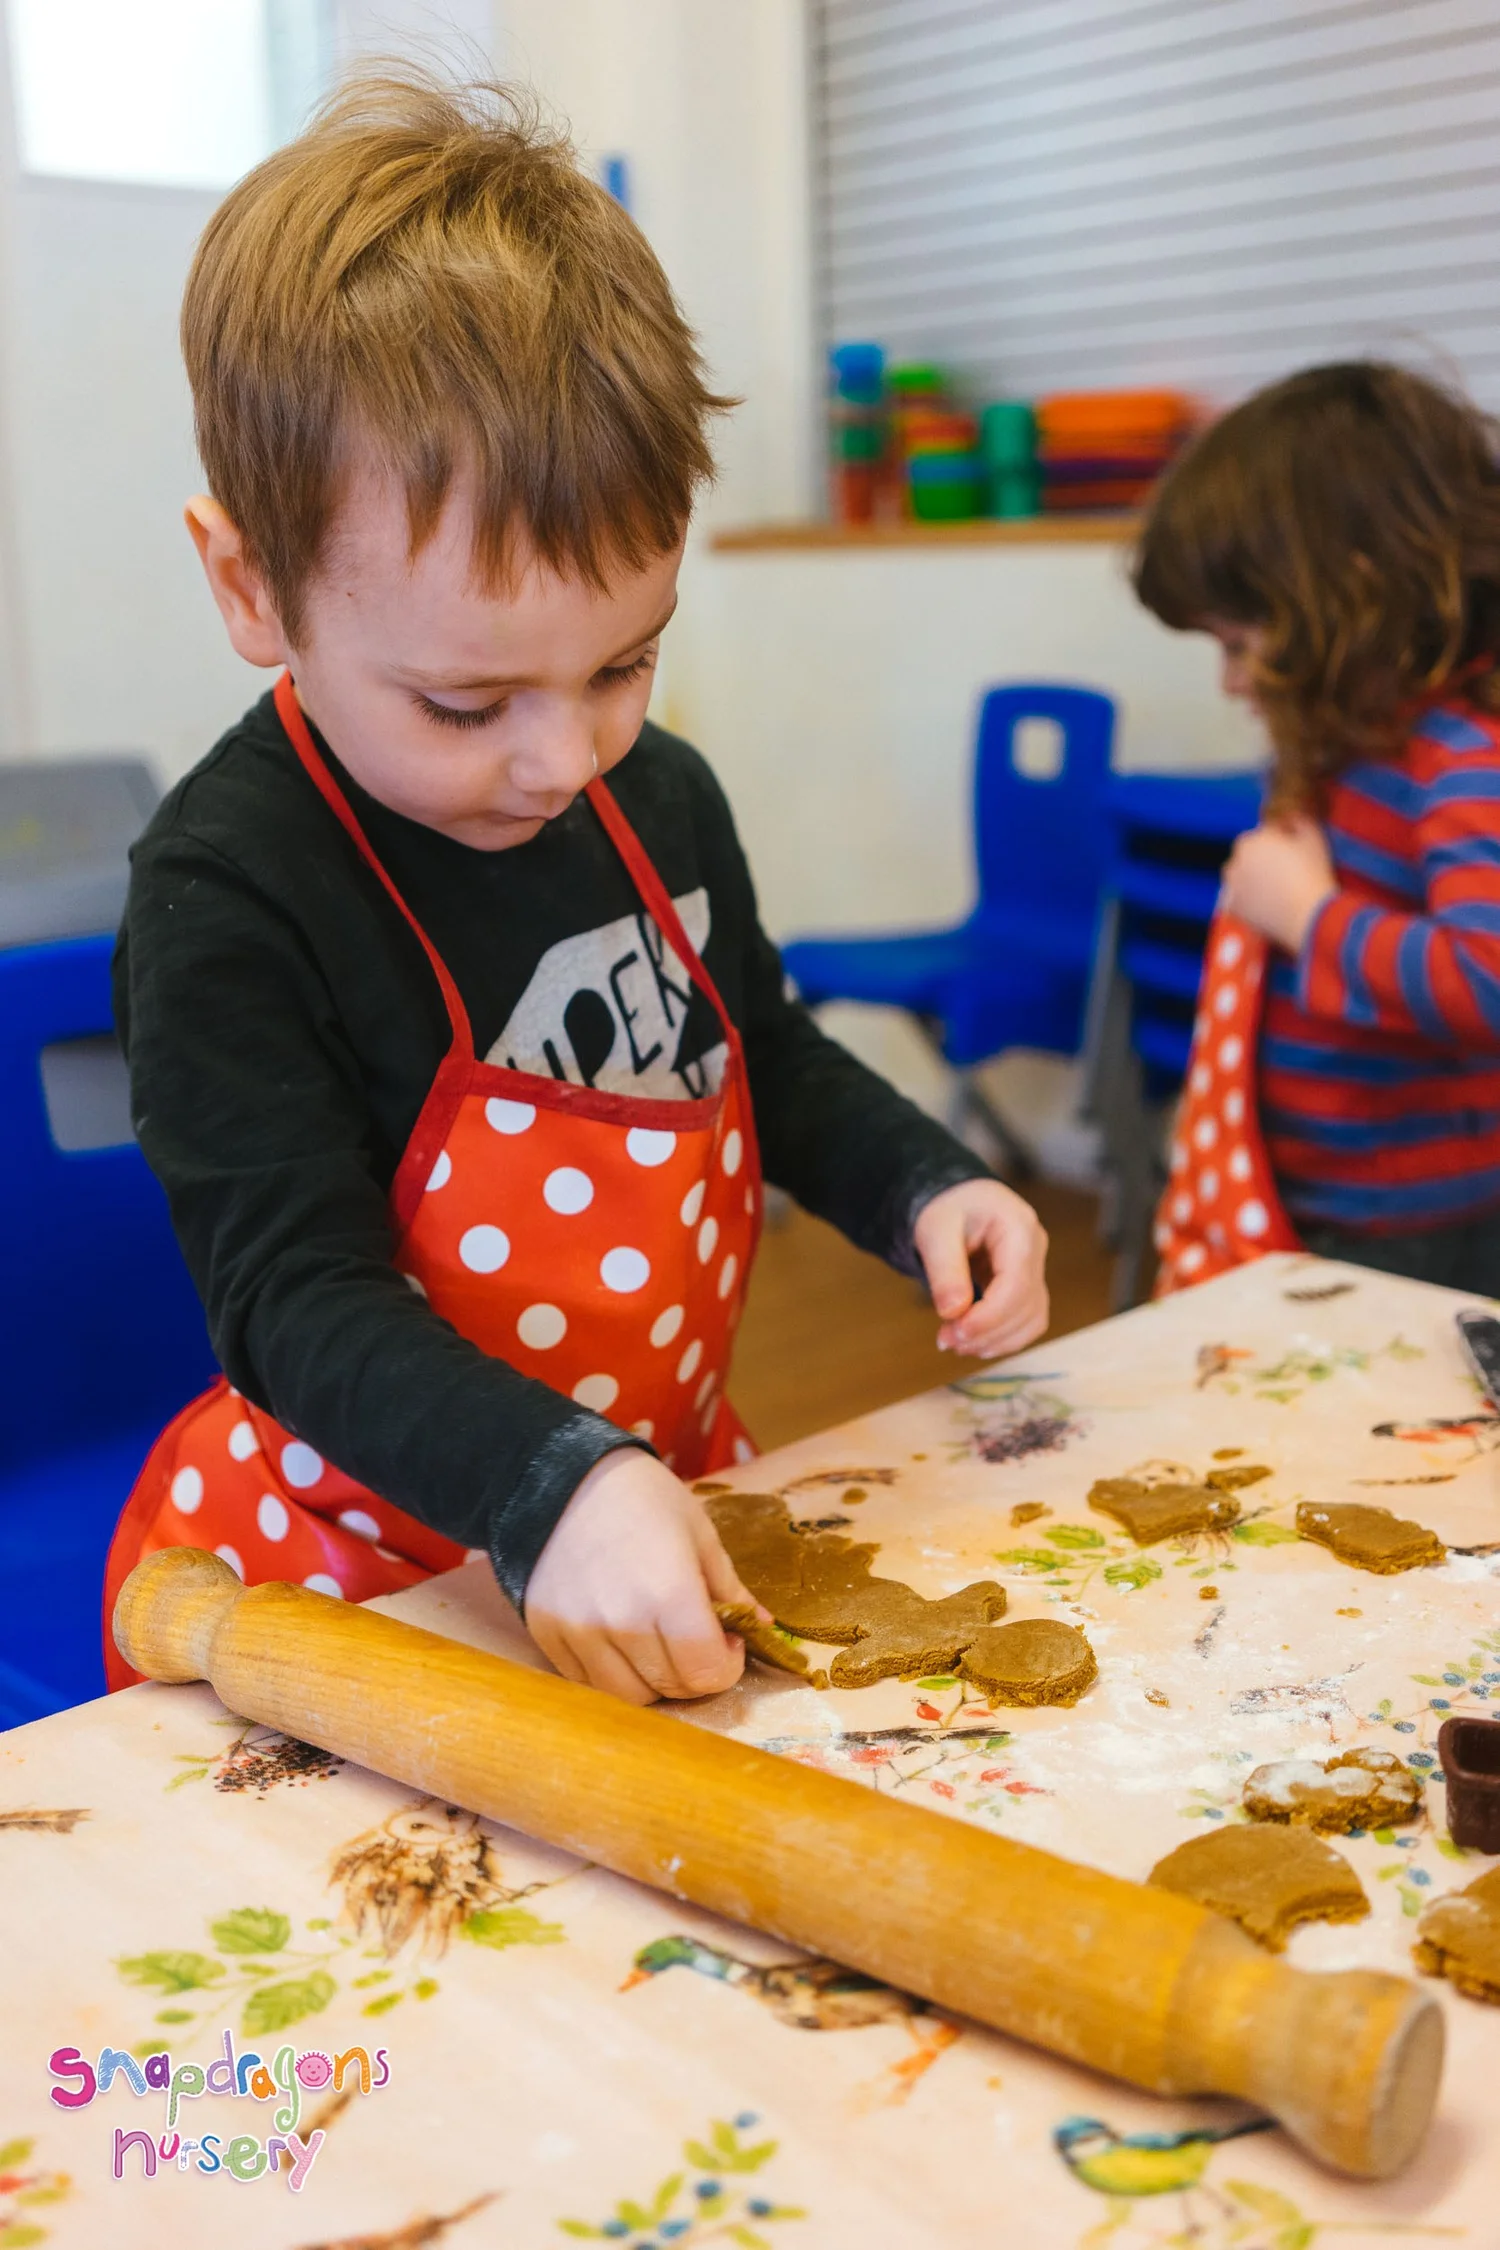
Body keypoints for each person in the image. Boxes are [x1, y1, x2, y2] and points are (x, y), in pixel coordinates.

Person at [104, 74, 1048, 1705]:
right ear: (252, 587)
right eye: (469, 706)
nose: (566, 760)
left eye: (626, 664)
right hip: (353, 1567)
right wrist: (554, 1481)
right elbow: (293, 1298)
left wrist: (924, 1187)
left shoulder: (657, 796)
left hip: (639, 1508)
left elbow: (762, 1047)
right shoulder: (228, 894)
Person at [1132, 360, 1500, 1295]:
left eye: (1239, 644)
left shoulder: (1456, 754)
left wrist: (1309, 919)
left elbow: (1486, 982)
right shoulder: (1356, 739)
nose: (1229, 682)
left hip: (1416, 1229)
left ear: (1351, 595)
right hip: (1325, 1199)